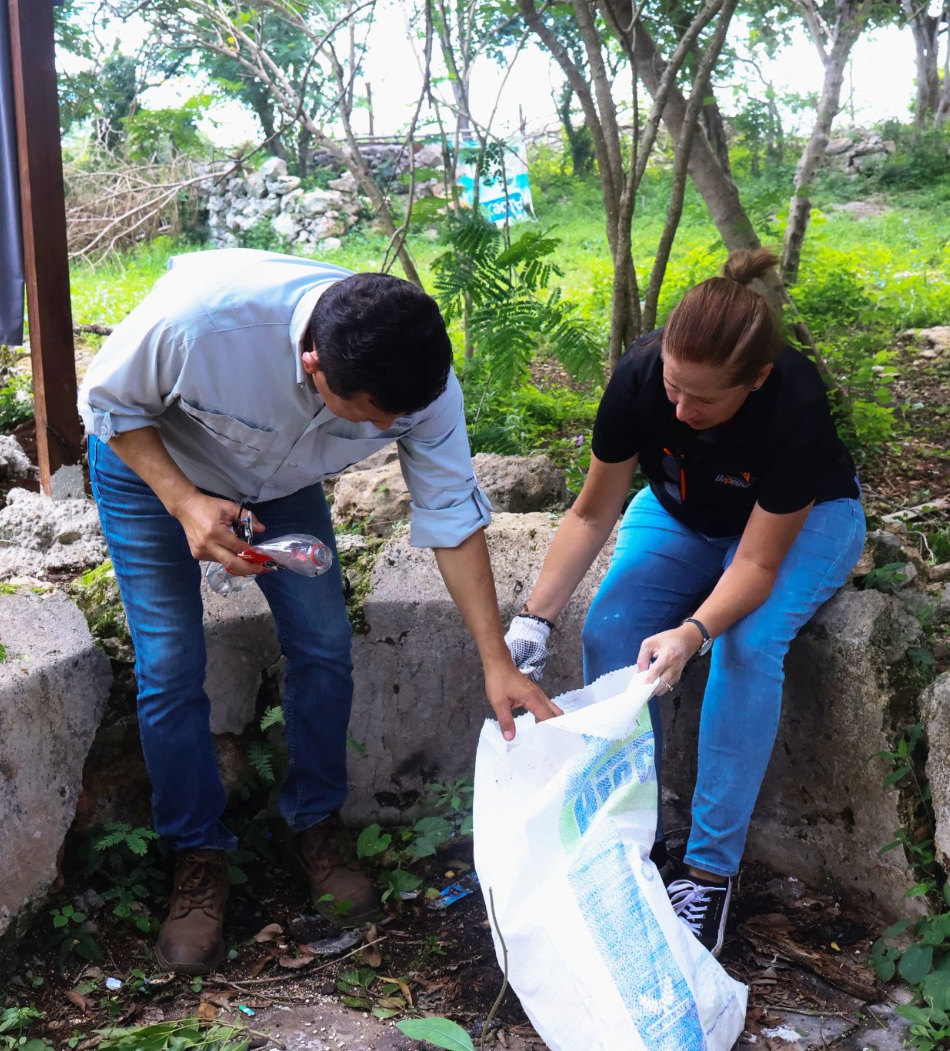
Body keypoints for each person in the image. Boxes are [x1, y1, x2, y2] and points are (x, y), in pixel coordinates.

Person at [79, 248, 559, 975]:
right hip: (149, 468)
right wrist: (187, 506)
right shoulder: (205, 322)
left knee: (325, 643)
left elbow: (452, 516)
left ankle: (313, 823)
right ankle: (198, 855)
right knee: (172, 662)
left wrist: (496, 662)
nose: (393, 426)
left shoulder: (415, 382)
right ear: (313, 365)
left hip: (278, 486)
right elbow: (109, 404)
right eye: (372, 419)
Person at [501, 248, 866, 957]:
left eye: (701, 398)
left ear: (755, 379)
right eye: (673, 386)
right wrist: (532, 621)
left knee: (746, 643)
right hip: (680, 513)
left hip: (804, 519)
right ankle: (635, 837)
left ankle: (708, 872)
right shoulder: (641, 376)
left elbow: (758, 561)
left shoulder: (793, 397)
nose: (679, 409)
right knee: (611, 630)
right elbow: (589, 513)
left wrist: (693, 631)